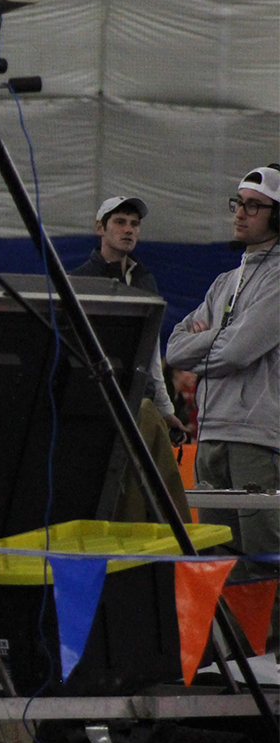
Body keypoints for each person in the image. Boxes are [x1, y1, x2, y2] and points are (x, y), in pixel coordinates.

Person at [166, 164, 280, 642]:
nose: (241, 213)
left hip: (257, 436)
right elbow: (173, 348)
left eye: (254, 205)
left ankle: (272, 654)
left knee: (263, 557)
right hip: (210, 431)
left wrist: (209, 342)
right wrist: (222, 338)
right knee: (220, 560)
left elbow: (237, 351)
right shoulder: (223, 283)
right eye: (238, 202)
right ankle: (240, 657)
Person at [72, 196, 184, 437]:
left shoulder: (145, 280)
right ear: (100, 227)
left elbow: (152, 351)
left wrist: (165, 409)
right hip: (95, 403)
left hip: (140, 400)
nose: (128, 229)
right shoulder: (79, 281)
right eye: (120, 222)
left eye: (134, 224)